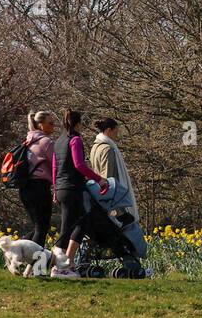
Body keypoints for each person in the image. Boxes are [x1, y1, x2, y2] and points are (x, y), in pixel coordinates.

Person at [51, 109, 107, 276]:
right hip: (72, 188)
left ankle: (68, 262)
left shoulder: (58, 142)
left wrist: (55, 189)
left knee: (79, 223)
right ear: (77, 124)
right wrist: (99, 179)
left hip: (61, 188)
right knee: (70, 227)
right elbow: (79, 165)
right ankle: (59, 266)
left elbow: (54, 167)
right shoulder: (75, 140)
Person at [89, 118, 139, 224]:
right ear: (108, 130)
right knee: (128, 222)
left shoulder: (95, 147)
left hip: (99, 194)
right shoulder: (108, 149)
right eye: (116, 131)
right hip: (111, 200)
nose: (117, 135)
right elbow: (108, 177)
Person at [19, 110, 57, 246]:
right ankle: (36, 258)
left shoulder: (27, 141)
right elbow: (57, 166)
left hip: (25, 188)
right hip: (40, 188)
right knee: (42, 227)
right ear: (41, 125)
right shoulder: (46, 142)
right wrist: (57, 188)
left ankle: (18, 248)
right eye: (50, 123)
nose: (53, 126)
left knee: (38, 226)